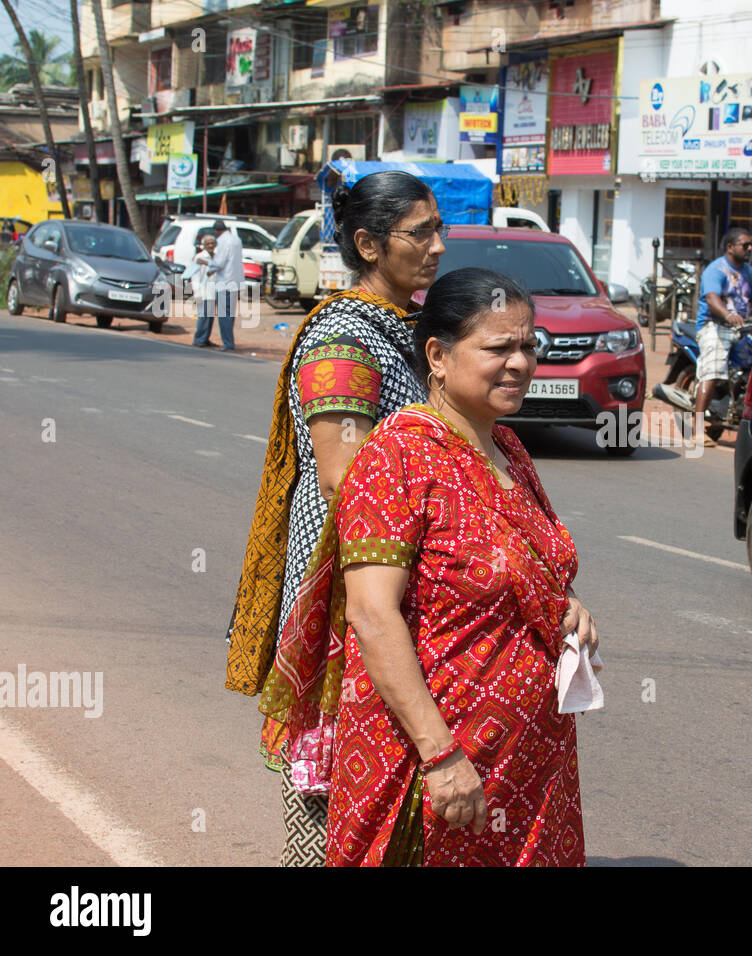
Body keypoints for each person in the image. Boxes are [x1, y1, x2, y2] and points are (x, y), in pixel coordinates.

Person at [260, 267, 597, 866]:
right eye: (499, 348)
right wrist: (440, 754)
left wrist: (566, 607)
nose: (520, 363)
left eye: (528, 346)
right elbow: (371, 611)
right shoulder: (398, 458)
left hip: (527, 761)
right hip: (438, 763)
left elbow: (525, 568)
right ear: (438, 356)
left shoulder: (509, 451)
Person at [225, 169, 444, 866]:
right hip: (349, 609)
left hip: (394, 598)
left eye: (441, 230)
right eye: (422, 232)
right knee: (333, 817)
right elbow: (342, 474)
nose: (439, 246)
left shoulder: (404, 331)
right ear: (369, 245)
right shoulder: (341, 342)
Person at [694, 227, 752, 447]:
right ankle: (698, 431)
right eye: (744, 245)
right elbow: (711, 298)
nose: (749, 249)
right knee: (714, 369)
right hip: (714, 326)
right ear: (730, 247)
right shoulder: (716, 269)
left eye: (750, 245)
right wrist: (728, 315)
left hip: (742, 328)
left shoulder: (750, 272)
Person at [207, 220, 244, 351]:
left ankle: (228, 343)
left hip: (225, 282)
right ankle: (229, 342)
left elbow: (219, 263)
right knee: (230, 314)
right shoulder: (236, 240)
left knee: (224, 315)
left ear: (216, 231)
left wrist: (210, 266)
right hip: (235, 281)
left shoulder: (223, 241)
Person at [185, 234, 218, 347]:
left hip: (214, 292)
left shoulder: (216, 257)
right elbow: (195, 277)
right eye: (208, 243)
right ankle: (198, 339)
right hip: (203, 292)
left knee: (210, 318)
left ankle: (205, 338)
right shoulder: (199, 258)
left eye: (212, 243)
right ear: (203, 245)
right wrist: (197, 293)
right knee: (203, 317)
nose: (210, 245)